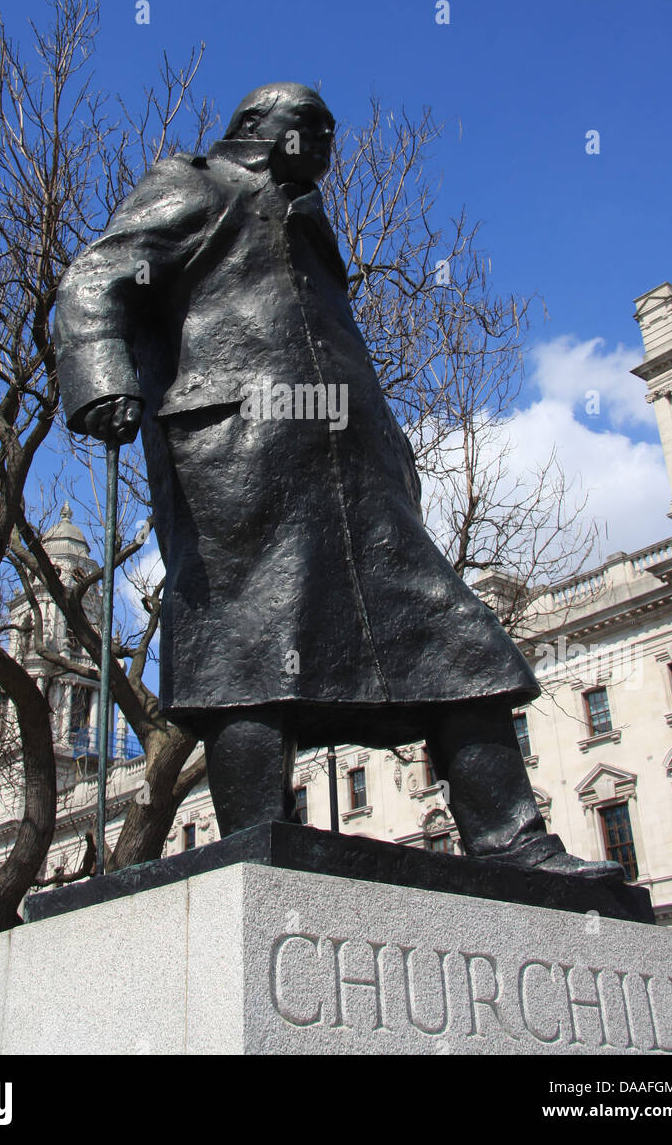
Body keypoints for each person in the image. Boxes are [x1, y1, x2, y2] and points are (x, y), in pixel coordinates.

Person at [54, 82, 623, 881]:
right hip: (238, 458)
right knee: (245, 651)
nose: (323, 141)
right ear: (253, 126)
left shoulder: (309, 220)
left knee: (456, 639)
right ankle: (253, 849)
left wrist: (391, 452)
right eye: (307, 126)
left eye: (329, 130)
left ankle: (512, 841)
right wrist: (101, 377)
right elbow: (94, 278)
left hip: (356, 473)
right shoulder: (196, 183)